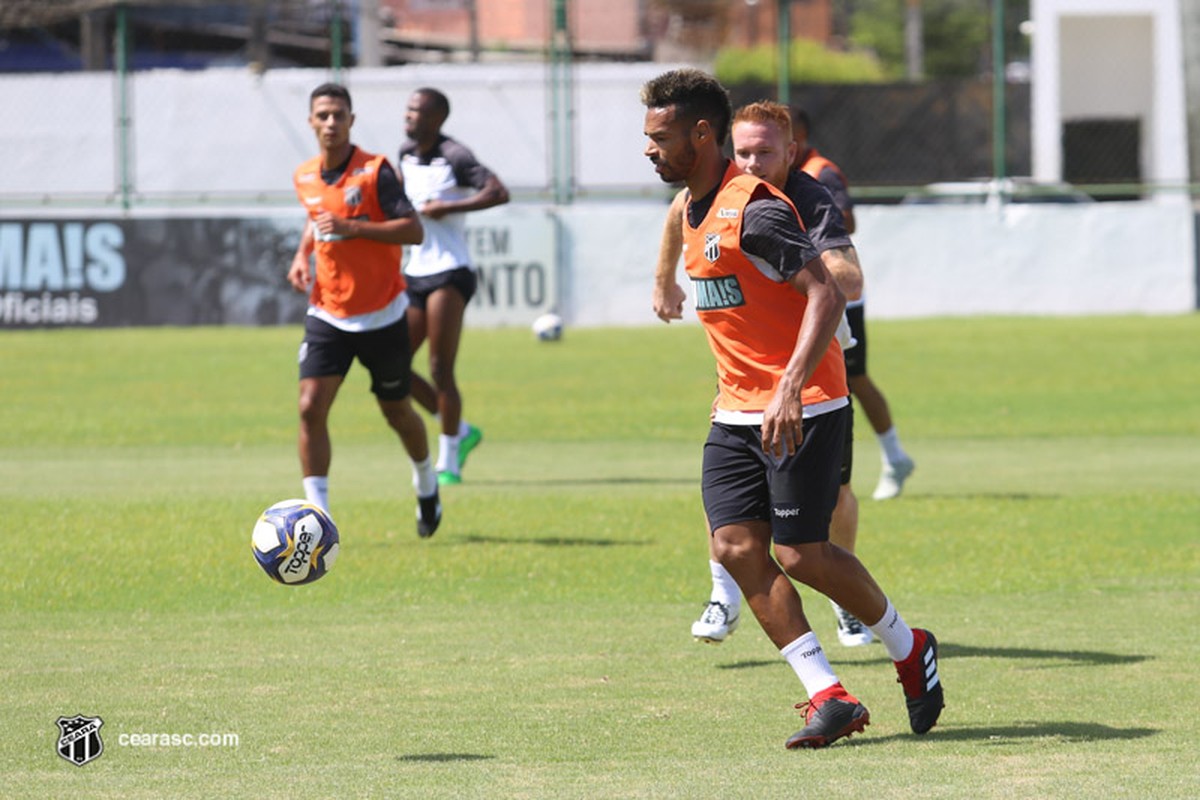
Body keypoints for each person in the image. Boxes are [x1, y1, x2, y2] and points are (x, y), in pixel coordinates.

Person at [640, 69, 943, 749]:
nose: (649, 150)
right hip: (735, 411)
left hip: (803, 402)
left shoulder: (757, 207)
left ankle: (908, 645)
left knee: (801, 554)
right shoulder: (692, 204)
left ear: (700, 135)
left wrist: (785, 387)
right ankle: (829, 695)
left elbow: (827, 294)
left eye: (660, 137)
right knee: (735, 546)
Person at [654, 100, 874, 648]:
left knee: (835, 495)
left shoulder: (804, 197)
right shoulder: (718, 194)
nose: (751, 163)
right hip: (750, 370)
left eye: (765, 153)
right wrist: (664, 280)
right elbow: (679, 209)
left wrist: (800, 260)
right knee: (726, 486)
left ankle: (842, 597)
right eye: (743, 151)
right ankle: (722, 593)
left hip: (814, 366)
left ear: (791, 153)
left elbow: (846, 279)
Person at [288, 82, 442, 538]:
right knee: (310, 407)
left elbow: (413, 231)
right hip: (327, 313)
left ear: (351, 121)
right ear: (312, 122)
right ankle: (318, 517)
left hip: (382, 315)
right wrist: (303, 253)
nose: (331, 123)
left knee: (396, 412)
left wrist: (352, 228)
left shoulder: (375, 172)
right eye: (323, 115)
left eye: (339, 114)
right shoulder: (304, 176)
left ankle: (426, 480)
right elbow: (317, 216)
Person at [791, 107, 915, 500]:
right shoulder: (772, 174)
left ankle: (891, 458)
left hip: (837, 290)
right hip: (803, 292)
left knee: (850, 380)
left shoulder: (820, 172)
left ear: (800, 136)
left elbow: (847, 218)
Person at [398, 87, 510, 486]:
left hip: (450, 270)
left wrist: (449, 207)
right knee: (392, 365)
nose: (409, 117)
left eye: (417, 111)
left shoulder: (456, 156)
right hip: (415, 271)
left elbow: (498, 191)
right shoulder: (405, 155)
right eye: (408, 110)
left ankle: (449, 461)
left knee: (440, 367)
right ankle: (461, 431)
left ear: (437, 118)